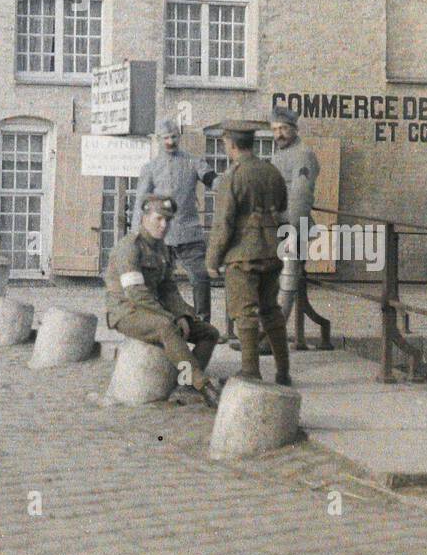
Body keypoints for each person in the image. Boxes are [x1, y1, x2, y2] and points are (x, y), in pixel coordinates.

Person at [105, 194, 221, 409]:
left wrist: (182, 314)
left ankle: (183, 387)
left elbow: (169, 289)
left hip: (151, 311)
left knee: (209, 332)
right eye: (158, 218)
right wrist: (170, 318)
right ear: (144, 217)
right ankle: (200, 385)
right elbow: (136, 293)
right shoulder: (130, 247)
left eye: (168, 220)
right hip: (126, 312)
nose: (164, 225)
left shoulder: (163, 249)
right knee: (166, 327)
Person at [205, 122, 291, 386]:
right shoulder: (271, 171)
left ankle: (250, 371)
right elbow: (283, 205)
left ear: (230, 143)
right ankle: (283, 372)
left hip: (243, 255)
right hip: (271, 251)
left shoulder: (232, 176)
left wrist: (212, 260)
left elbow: (223, 223)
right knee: (271, 311)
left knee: (245, 313)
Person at [131, 118, 218, 322]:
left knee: (201, 278)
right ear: (158, 140)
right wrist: (137, 233)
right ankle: (163, 321)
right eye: (165, 138)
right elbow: (140, 203)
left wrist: (231, 184)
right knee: (157, 281)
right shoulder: (150, 168)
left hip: (189, 232)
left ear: (179, 137)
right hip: (161, 236)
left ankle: (202, 322)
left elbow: (213, 180)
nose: (170, 142)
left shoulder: (193, 161)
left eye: (173, 137)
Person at [269, 106, 320, 321]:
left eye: (283, 128)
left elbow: (300, 196)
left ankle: (273, 337)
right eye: (275, 129)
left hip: (292, 229)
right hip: (277, 226)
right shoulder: (281, 153)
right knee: (274, 281)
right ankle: (267, 332)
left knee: (287, 281)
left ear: (294, 129)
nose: (278, 134)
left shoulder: (303, 155)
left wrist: (293, 231)